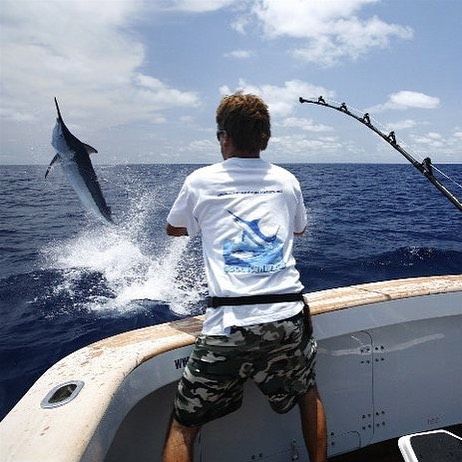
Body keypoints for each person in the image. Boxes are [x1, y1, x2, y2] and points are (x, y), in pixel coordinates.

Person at [163, 93, 327, 462]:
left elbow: (174, 228)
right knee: (307, 395)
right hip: (288, 319)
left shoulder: (200, 180)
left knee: (184, 425)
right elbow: (299, 230)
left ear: (224, 137)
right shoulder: (287, 180)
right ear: (265, 138)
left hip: (229, 325)